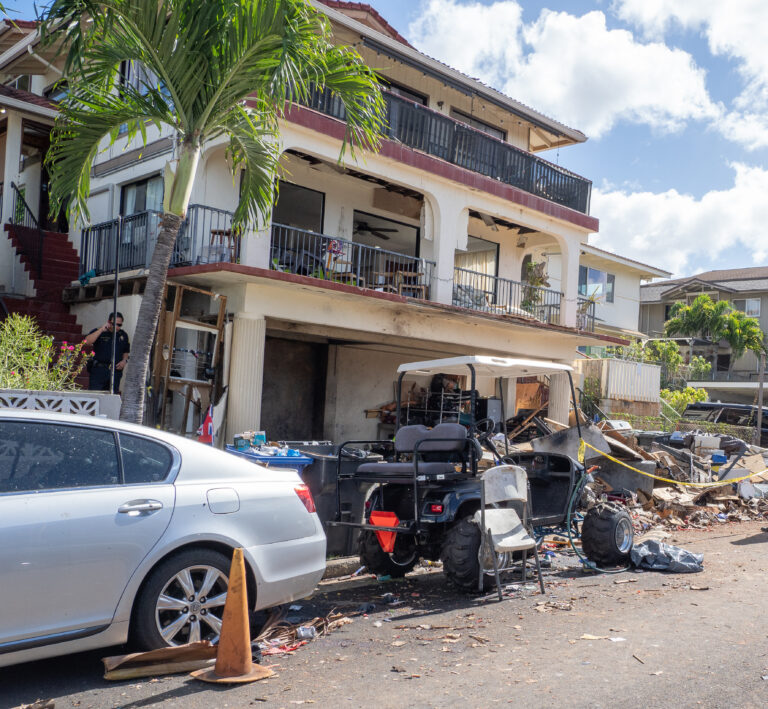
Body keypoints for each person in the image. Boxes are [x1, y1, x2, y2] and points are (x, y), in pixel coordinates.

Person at [84, 311, 130, 393]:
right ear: (109, 322)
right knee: (95, 395)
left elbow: (126, 351)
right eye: (114, 323)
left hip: (115, 371)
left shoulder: (123, 335)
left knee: (111, 397)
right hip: (99, 370)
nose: (116, 326)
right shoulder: (100, 331)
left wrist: (124, 361)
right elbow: (87, 341)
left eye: (119, 325)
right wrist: (101, 329)